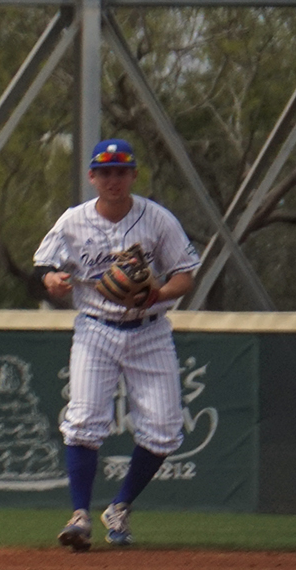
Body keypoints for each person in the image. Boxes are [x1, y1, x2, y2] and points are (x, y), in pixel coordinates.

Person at [33, 138, 201, 550]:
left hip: (149, 330)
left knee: (163, 432)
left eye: (121, 171)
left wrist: (158, 294)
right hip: (96, 328)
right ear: (92, 177)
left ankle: (120, 505)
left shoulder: (157, 219)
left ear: (133, 175)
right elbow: (45, 264)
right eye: (104, 172)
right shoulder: (73, 221)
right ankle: (78, 516)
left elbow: (185, 273)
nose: (113, 179)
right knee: (85, 420)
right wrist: (51, 279)